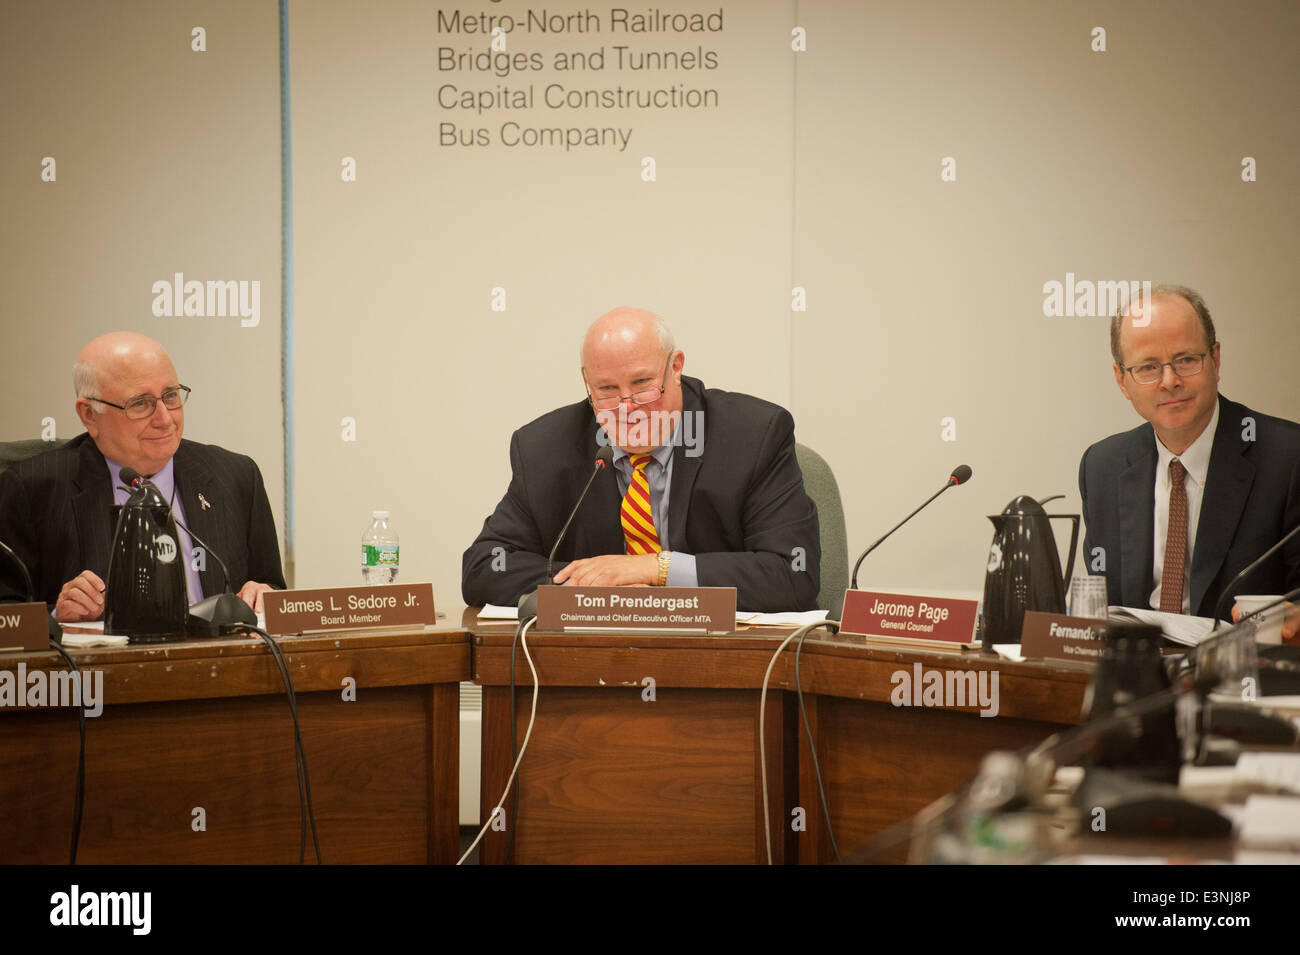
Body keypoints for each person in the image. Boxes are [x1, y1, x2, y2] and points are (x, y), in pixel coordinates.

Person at [462, 307, 821, 612]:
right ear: (587, 382)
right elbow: (485, 566)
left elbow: (793, 572)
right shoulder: (545, 447)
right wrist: (601, 586)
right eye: (606, 390)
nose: (627, 408)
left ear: (675, 367)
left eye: (643, 385)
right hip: (590, 665)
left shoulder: (752, 436)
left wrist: (656, 570)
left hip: (725, 664)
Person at [0, 332, 285, 621]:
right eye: (140, 404)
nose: (165, 419)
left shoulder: (236, 477)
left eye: (171, 396)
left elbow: (272, 589)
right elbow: (8, 618)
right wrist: (57, 615)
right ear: (89, 415)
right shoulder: (31, 490)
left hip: (219, 663)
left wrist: (264, 595)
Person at [1078, 286, 1300, 636]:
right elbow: (1102, 608)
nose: (1170, 381)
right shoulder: (1102, 466)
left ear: (1215, 359)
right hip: (1136, 679)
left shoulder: (1288, 459)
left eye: (1185, 360)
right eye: (1148, 367)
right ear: (1122, 379)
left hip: (1244, 678)